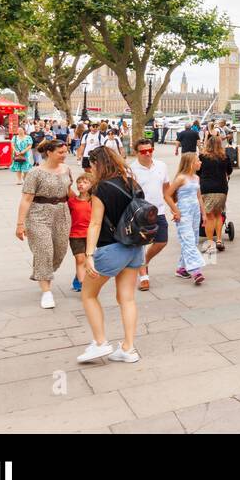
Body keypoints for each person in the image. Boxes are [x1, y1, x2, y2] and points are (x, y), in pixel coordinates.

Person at [77, 146, 144, 364]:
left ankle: (100, 342)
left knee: (88, 295)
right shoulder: (132, 183)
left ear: (97, 164)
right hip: (134, 247)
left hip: (111, 248)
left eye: (92, 165)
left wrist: (88, 255)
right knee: (127, 298)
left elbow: (95, 223)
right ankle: (128, 348)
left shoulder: (102, 188)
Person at [14, 139, 73, 309]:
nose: (64, 155)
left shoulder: (67, 169)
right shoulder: (35, 173)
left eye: (65, 151)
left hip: (62, 213)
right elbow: (26, 199)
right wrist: (20, 224)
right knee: (44, 250)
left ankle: (43, 271)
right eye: (60, 152)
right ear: (49, 153)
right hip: (38, 214)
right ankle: (46, 291)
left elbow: (69, 192)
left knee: (59, 250)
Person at [126, 137, 174, 291]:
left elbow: (167, 188)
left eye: (150, 150)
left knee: (162, 241)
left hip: (158, 211)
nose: (147, 154)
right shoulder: (130, 170)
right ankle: (144, 276)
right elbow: (128, 194)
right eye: (143, 151)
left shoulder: (161, 165)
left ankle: (144, 262)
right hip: (140, 213)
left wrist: (174, 207)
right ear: (136, 152)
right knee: (140, 244)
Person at [166, 152, 206, 284]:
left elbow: (199, 196)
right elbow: (167, 195)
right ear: (190, 163)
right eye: (198, 160)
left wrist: (204, 214)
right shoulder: (181, 178)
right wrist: (175, 211)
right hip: (183, 212)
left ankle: (181, 268)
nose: (200, 162)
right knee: (188, 240)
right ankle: (196, 271)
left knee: (193, 240)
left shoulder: (196, 178)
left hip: (195, 212)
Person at [198, 134, 233, 254]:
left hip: (206, 188)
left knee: (209, 216)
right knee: (218, 215)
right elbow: (229, 171)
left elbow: (198, 172)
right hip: (221, 188)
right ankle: (218, 240)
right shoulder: (225, 157)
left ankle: (210, 243)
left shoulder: (202, 157)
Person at [68, 173, 93, 293]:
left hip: (90, 235)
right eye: (79, 182)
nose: (81, 184)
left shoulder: (94, 201)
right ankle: (84, 287)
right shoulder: (72, 201)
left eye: (85, 182)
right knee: (80, 259)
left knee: (87, 260)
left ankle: (77, 280)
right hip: (75, 235)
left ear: (92, 185)